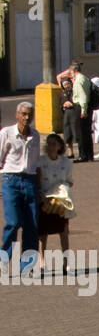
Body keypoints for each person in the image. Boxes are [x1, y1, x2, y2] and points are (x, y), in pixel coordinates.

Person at [0, 100, 41, 275]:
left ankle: (27, 266)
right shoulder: (6, 133)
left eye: (29, 115)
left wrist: (40, 187)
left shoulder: (35, 135)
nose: (26, 118)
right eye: (23, 114)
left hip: (30, 180)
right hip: (10, 180)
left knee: (31, 224)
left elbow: (36, 162)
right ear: (17, 115)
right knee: (13, 222)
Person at [37, 131, 74, 265]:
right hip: (44, 199)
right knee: (42, 232)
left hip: (59, 201)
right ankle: (42, 261)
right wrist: (42, 197)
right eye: (49, 144)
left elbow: (70, 181)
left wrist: (62, 192)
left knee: (63, 231)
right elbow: (37, 180)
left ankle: (66, 261)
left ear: (60, 146)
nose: (51, 147)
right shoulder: (40, 161)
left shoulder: (66, 162)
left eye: (54, 144)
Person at [57, 60, 93, 161]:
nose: (69, 73)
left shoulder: (78, 81)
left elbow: (83, 97)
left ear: (74, 71)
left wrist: (83, 111)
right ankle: (89, 155)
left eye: (70, 71)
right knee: (86, 133)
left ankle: (83, 156)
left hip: (80, 108)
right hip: (86, 108)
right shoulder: (84, 78)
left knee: (81, 133)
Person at [59, 75, 79, 158]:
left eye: (67, 84)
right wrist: (64, 105)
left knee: (76, 133)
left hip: (74, 114)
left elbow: (78, 102)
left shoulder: (75, 92)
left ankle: (81, 152)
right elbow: (60, 103)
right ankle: (70, 152)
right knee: (67, 134)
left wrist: (72, 104)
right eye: (64, 84)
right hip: (66, 114)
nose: (66, 86)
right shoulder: (62, 94)